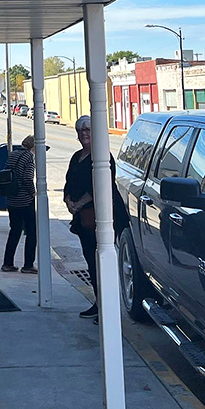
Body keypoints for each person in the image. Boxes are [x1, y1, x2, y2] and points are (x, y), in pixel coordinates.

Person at [64, 115, 128, 319]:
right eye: (81, 130)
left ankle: (107, 308)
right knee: (91, 262)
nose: (85, 133)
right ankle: (98, 302)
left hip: (101, 218)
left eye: (89, 130)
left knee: (102, 262)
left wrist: (80, 203)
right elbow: (68, 181)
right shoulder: (76, 156)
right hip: (82, 219)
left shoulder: (102, 156)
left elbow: (101, 186)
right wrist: (68, 201)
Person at [1, 135, 38, 274]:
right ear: (33, 147)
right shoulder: (28, 157)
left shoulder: (13, 155)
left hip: (12, 199)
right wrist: (33, 193)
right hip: (25, 200)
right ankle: (28, 265)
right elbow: (27, 178)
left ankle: (7, 263)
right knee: (32, 232)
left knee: (15, 231)